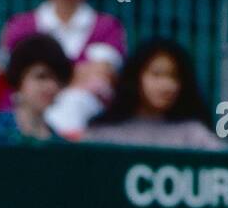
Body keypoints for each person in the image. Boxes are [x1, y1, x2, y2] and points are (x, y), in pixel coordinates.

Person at [0, 0, 125, 124]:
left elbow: (101, 76)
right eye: (43, 77)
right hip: (21, 116)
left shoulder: (108, 27)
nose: (52, 85)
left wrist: (39, 78)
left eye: (55, 79)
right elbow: (10, 75)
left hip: (87, 120)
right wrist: (79, 75)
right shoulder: (19, 25)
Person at [86, 36, 220, 149]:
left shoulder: (193, 135)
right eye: (157, 74)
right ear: (135, 78)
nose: (167, 85)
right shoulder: (104, 134)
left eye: (174, 77)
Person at [0, 33, 71, 141]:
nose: (52, 86)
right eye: (41, 77)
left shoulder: (60, 144)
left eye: (58, 80)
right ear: (19, 79)